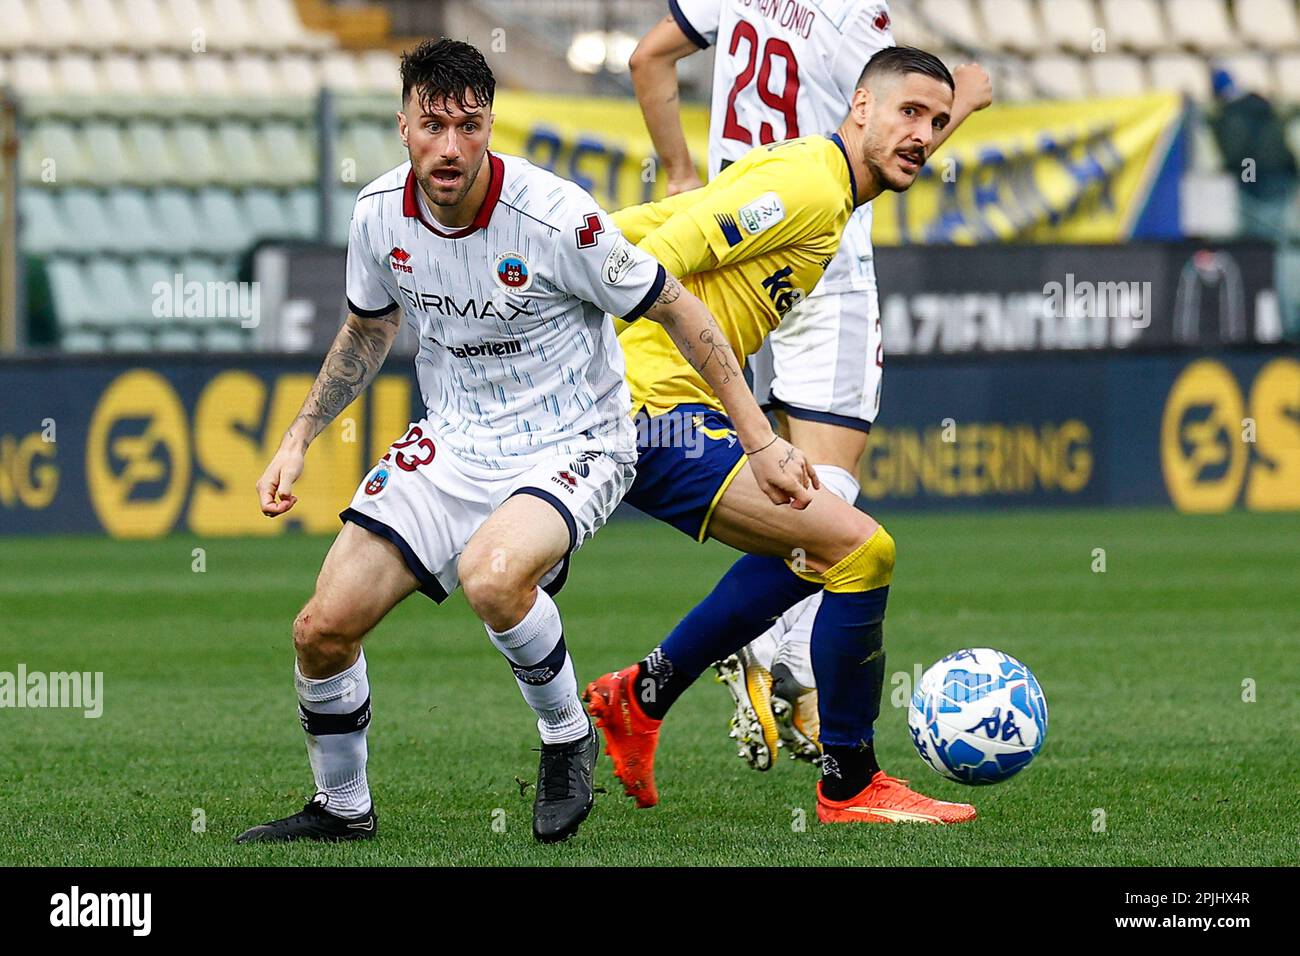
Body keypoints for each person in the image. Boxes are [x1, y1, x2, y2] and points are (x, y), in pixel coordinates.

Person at [235, 38, 813, 846]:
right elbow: (369, 328)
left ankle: (566, 735)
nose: (449, 146)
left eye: (468, 126)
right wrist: (299, 437)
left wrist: (758, 441)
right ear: (402, 127)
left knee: (494, 578)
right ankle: (342, 807)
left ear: (489, 128)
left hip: (575, 439)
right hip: (454, 442)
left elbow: (676, 304)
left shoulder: (555, 219)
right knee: (321, 630)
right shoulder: (377, 215)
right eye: (432, 125)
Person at [586, 47, 977, 824]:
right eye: (909, 112)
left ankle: (642, 696)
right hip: (647, 408)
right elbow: (656, 261)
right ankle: (851, 783)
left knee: (809, 548)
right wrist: (754, 431)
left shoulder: (822, 187)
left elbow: (650, 226)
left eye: (937, 121)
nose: (924, 134)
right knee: (862, 550)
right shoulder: (808, 187)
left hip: (660, 402)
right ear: (859, 106)